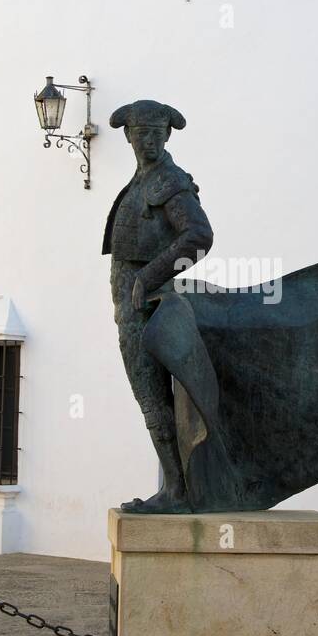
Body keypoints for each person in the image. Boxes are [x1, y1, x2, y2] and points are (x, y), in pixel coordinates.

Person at [102, 100, 213, 513]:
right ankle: (176, 488)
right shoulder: (143, 180)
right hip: (132, 301)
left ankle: (176, 493)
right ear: (128, 136)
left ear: (167, 136)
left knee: (152, 398)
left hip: (146, 303)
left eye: (156, 133)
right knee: (152, 398)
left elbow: (199, 236)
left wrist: (148, 276)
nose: (148, 140)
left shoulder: (167, 181)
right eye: (140, 132)